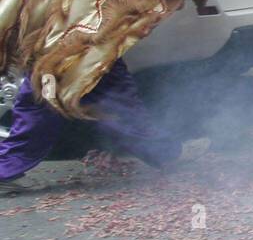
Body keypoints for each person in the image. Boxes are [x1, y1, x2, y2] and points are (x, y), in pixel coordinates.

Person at [0, 61, 203, 187]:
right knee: (114, 98)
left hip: (60, 38)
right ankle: (163, 152)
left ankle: (6, 168)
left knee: (43, 99)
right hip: (83, 39)